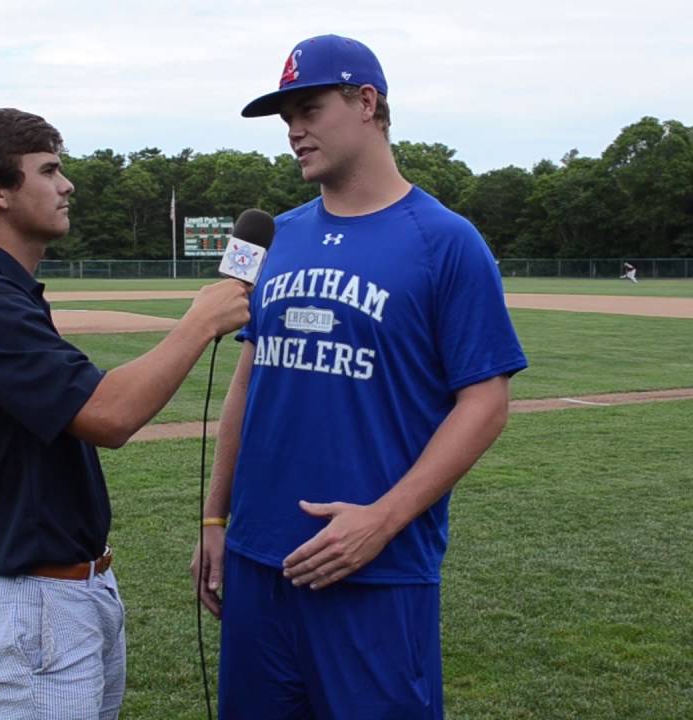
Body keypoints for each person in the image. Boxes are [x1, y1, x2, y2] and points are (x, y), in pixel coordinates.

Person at [191, 35, 528, 719]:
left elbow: (486, 401)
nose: (294, 131)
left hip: (373, 571)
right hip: (258, 563)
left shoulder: (446, 240)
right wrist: (214, 517)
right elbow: (246, 383)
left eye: (309, 109)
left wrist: (382, 520)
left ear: (367, 102)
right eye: (286, 117)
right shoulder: (273, 238)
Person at [0, 107, 249, 720]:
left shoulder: (5, 292)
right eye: (48, 170)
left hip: (70, 590)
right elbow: (110, 415)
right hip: (35, 601)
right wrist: (200, 321)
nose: (67, 184)